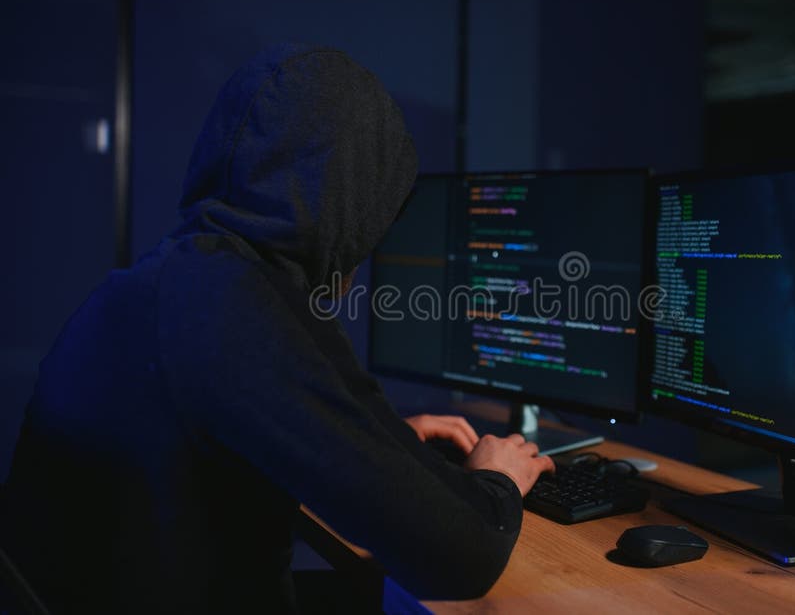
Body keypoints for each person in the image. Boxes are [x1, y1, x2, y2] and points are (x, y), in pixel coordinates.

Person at [0, 44, 554, 613]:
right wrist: (498, 482)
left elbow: (231, 441)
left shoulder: (161, 283)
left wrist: (365, 441)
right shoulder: (243, 307)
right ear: (343, 205)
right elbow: (460, 556)